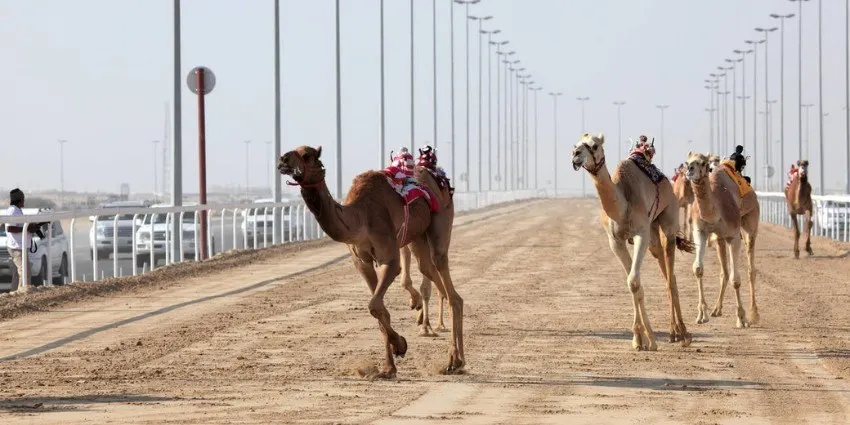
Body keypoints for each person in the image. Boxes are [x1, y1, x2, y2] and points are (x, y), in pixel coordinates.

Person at [4, 188, 34, 294]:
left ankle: (14, 295)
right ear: (20, 199)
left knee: (18, 274)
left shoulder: (16, 210)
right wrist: (26, 229)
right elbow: (10, 228)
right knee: (24, 272)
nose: (24, 201)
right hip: (16, 247)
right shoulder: (13, 210)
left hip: (20, 246)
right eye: (23, 198)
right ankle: (22, 295)